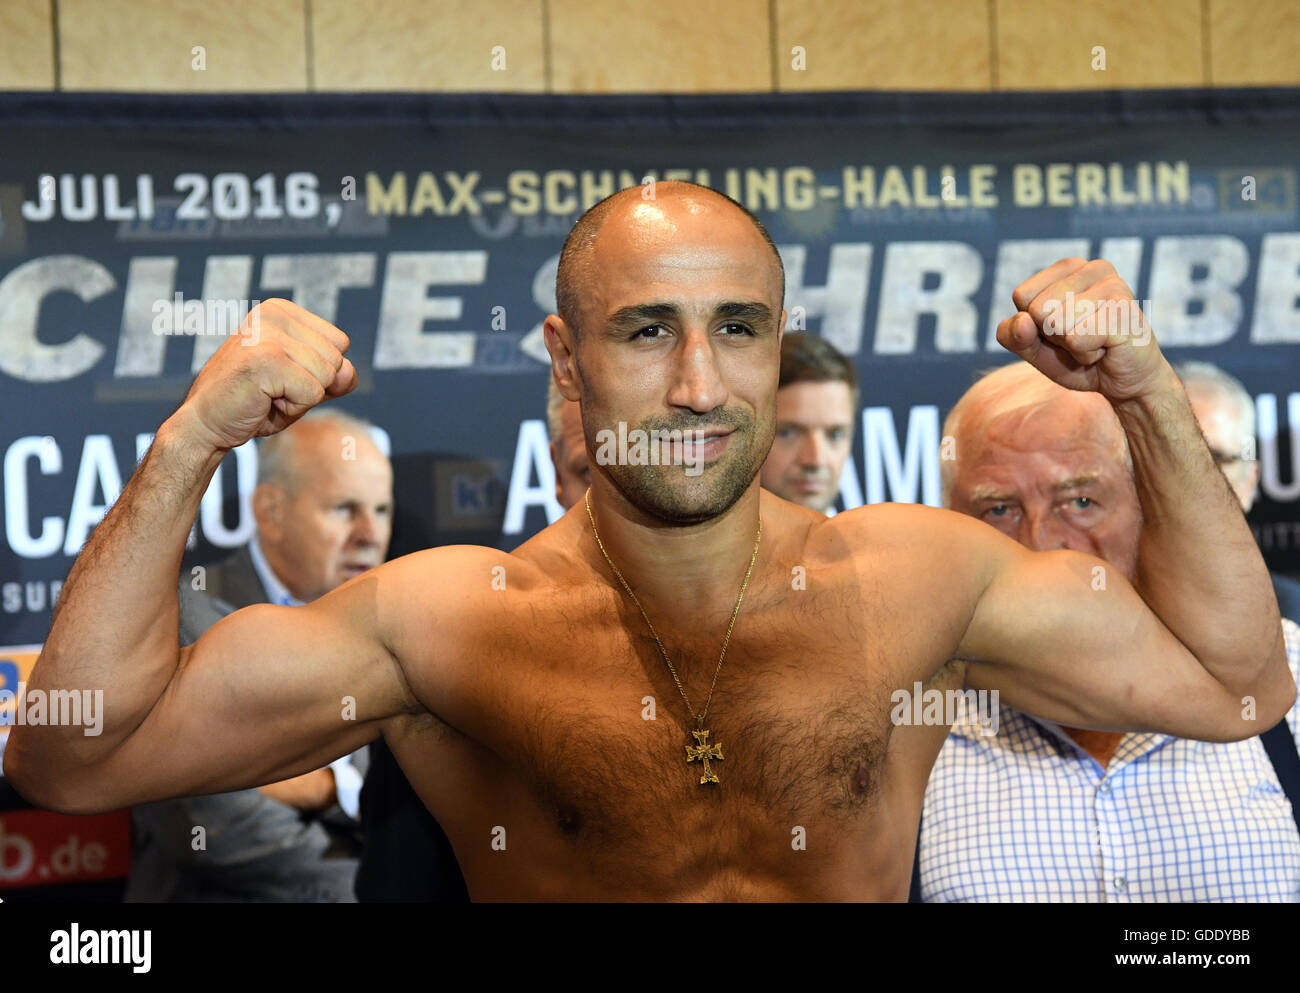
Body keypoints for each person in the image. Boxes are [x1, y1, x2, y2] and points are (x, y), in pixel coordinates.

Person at [8, 181, 1293, 902]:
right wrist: (186, 446)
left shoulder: (919, 580)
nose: (696, 386)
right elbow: (75, 758)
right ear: (566, 360)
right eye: (643, 333)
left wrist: (1142, 393)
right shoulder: (446, 622)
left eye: (738, 329)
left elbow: (1237, 685)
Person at [913, 363, 1300, 901]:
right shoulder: (904, 725)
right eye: (999, 508)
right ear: (950, 522)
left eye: (1080, 502)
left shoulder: (1290, 673)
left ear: (1148, 506)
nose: (1041, 544)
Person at [125, 409, 391, 901]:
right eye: (344, 509)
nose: (369, 534)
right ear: (270, 512)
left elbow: (410, 795)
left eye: (381, 510)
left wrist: (326, 785)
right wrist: (370, 890)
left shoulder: (394, 621)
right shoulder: (184, 619)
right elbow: (209, 823)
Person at [1176, 360, 1300, 625]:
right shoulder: (1105, 603)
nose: (1196, 475)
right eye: (1178, 454)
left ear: (1250, 482)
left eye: (1218, 458)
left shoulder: (1291, 615)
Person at [758, 333, 857, 514]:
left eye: (835, 434)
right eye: (788, 433)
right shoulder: (706, 542)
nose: (815, 459)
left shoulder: (872, 542)